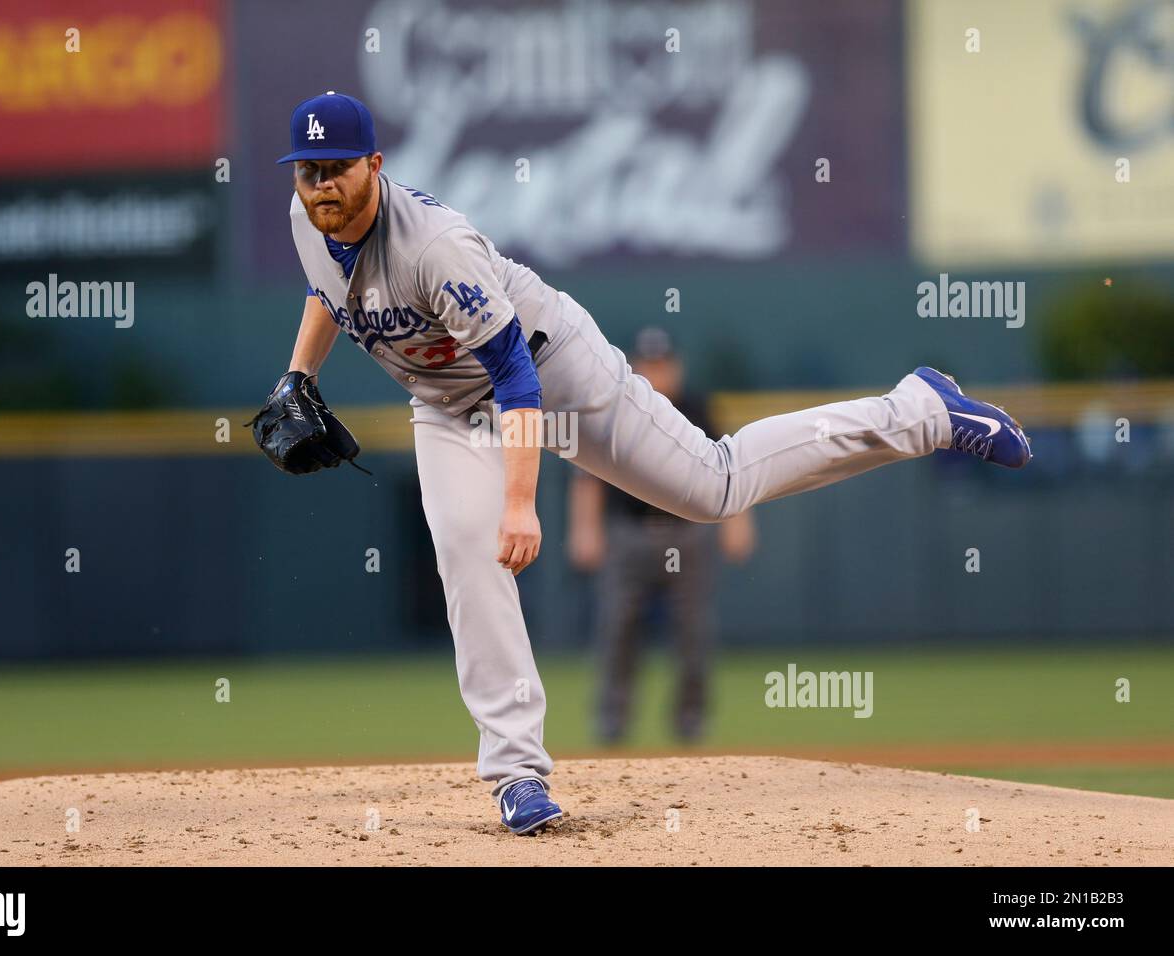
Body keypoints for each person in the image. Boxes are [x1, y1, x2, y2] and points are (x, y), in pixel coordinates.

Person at [254, 91, 1031, 836]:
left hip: (553, 371)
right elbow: (331, 292)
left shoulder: (432, 245)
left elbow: (517, 377)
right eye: (309, 170)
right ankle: (518, 774)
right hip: (449, 406)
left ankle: (923, 410)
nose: (321, 184)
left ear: (376, 164)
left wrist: (521, 503)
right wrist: (299, 377)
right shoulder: (307, 217)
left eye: (338, 168)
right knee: (464, 549)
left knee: (714, 485)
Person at [567, 327, 756, 745]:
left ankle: (691, 722)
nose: (658, 371)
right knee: (617, 628)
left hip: (687, 536)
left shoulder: (696, 408)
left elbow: (730, 469)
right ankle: (612, 723)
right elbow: (588, 476)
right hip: (629, 535)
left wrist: (738, 524)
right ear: (635, 368)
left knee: (693, 633)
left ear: (677, 366)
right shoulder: (616, 409)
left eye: (663, 364)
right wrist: (585, 530)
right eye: (649, 364)